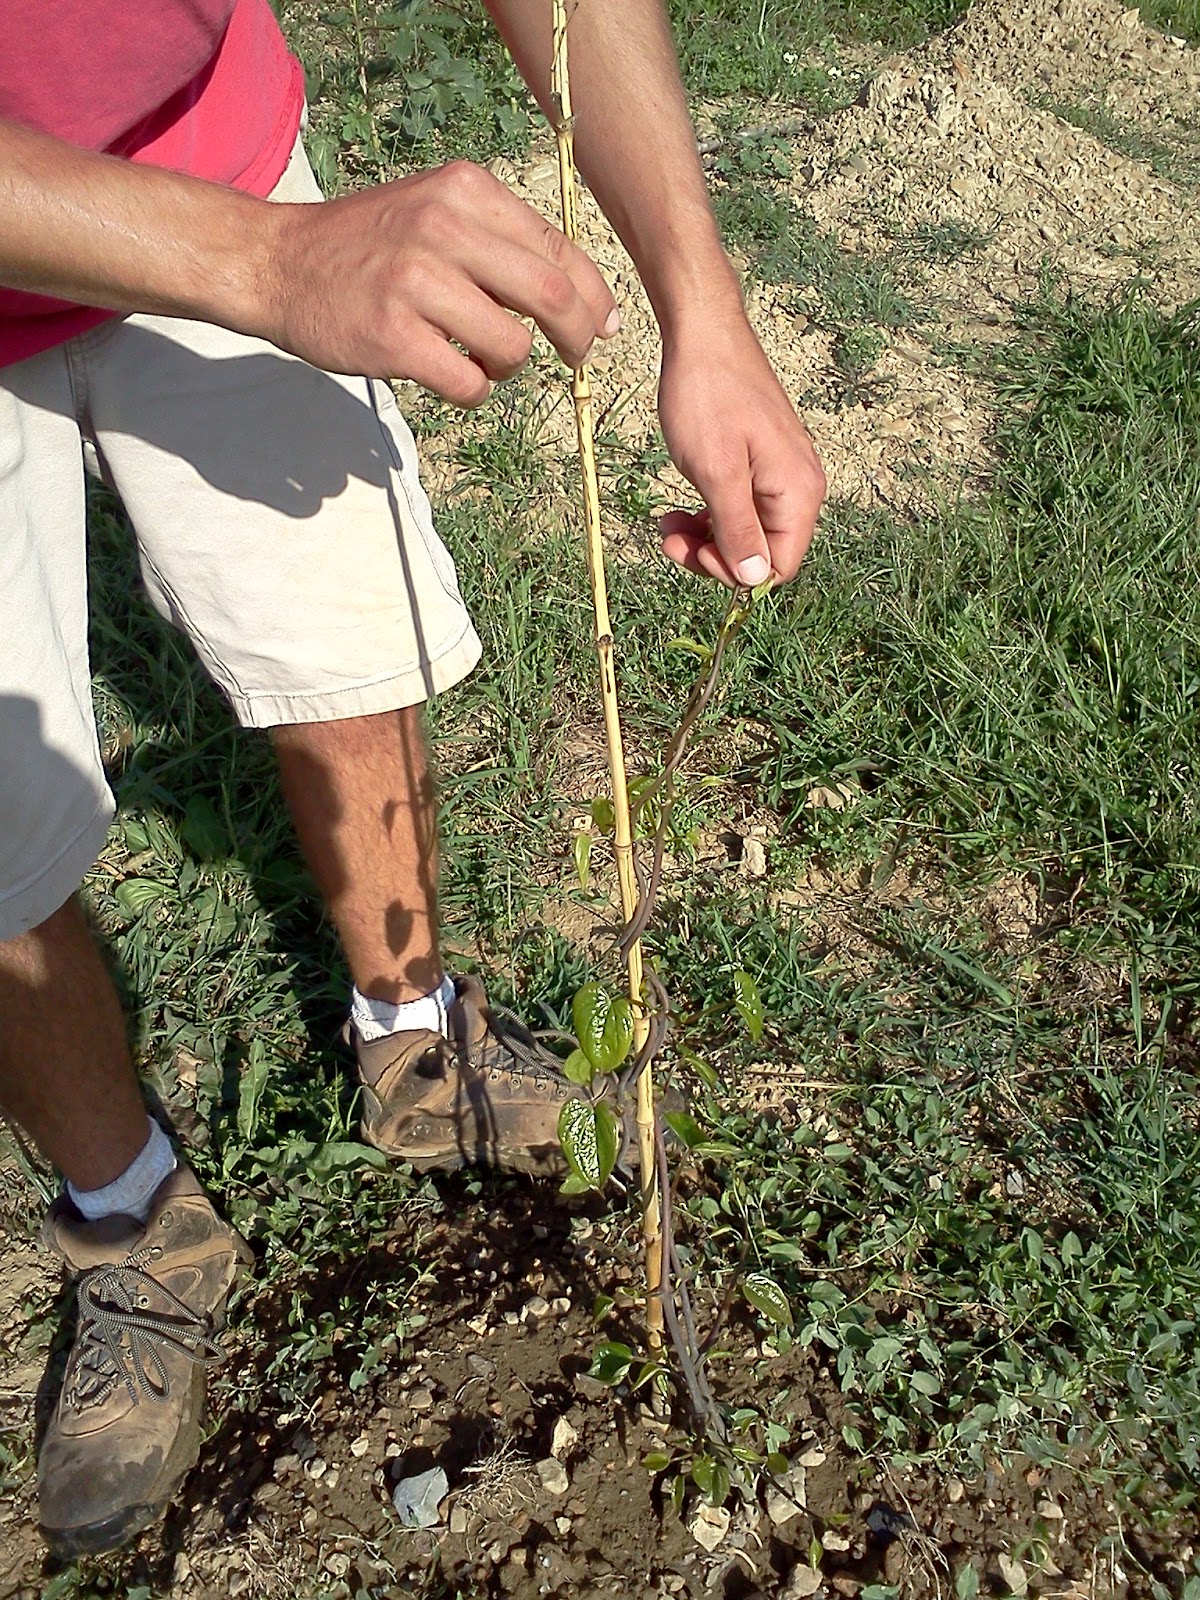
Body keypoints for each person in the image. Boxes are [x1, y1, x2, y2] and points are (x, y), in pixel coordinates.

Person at [0, 0, 826, 1560]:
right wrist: (267, 269)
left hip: (205, 142)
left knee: (344, 630)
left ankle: (416, 1045)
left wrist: (700, 303)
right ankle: (131, 1222)